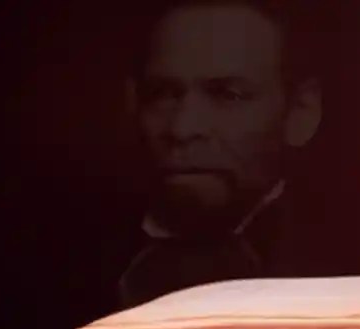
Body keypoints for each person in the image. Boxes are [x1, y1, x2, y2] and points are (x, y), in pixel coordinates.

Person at [116, 0, 322, 308]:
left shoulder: (359, 261)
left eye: (229, 95)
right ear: (132, 103)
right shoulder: (56, 264)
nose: (183, 129)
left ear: (301, 112)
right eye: (162, 94)